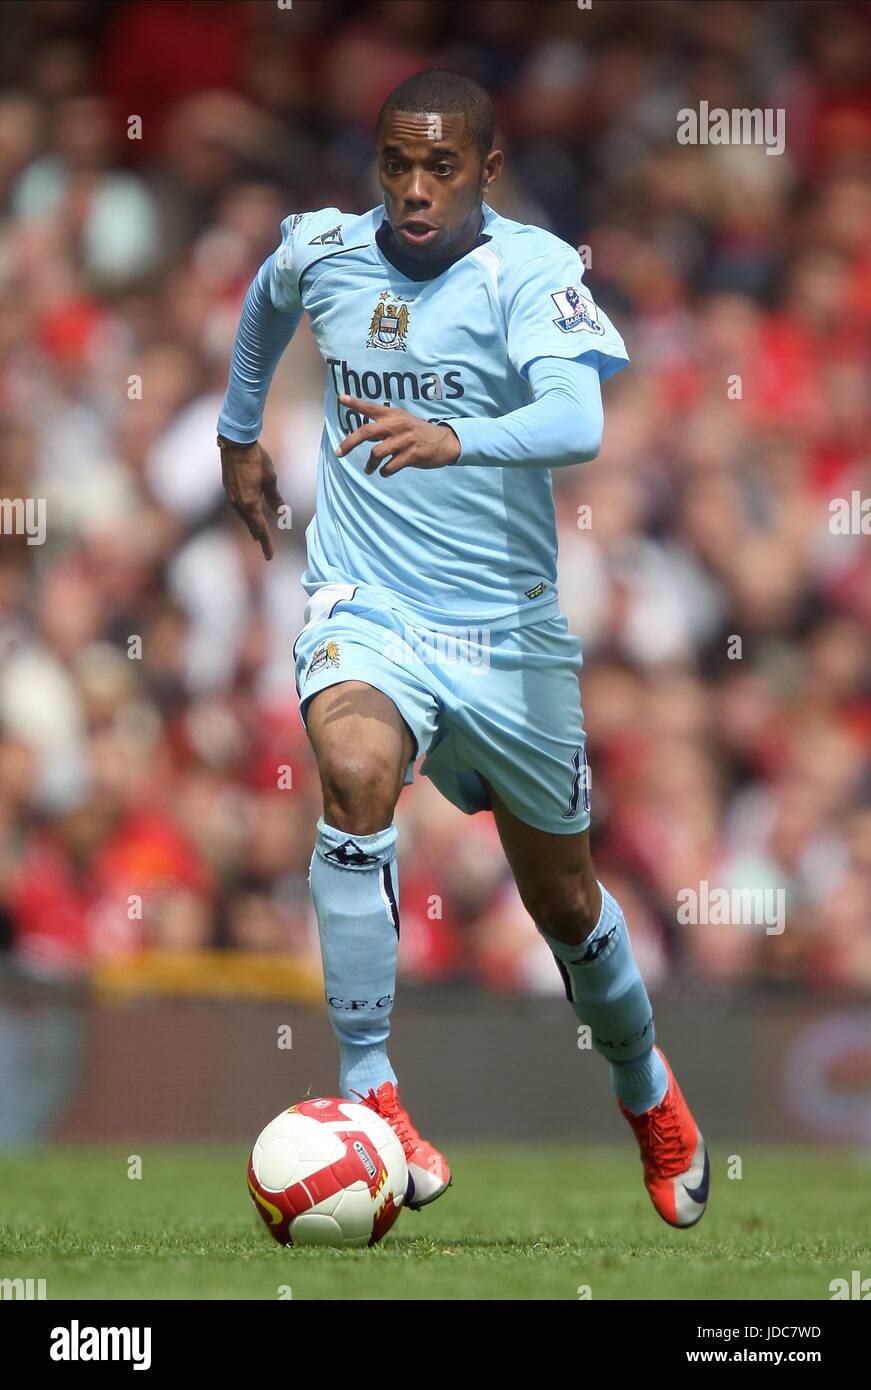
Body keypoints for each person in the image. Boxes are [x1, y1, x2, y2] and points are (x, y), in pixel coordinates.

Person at [218, 69, 708, 1228]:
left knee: (568, 904)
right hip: (366, 603)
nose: (414, 189)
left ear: (486, 171)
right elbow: (264, 298)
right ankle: (372, 1091)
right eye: (397, 163)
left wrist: (455, 436)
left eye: (442, 167)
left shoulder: (531, 271)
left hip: (510, 637)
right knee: (349, 773)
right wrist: (240, 432)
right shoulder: (326, 248)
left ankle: (647, 1093)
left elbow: (578, 420)